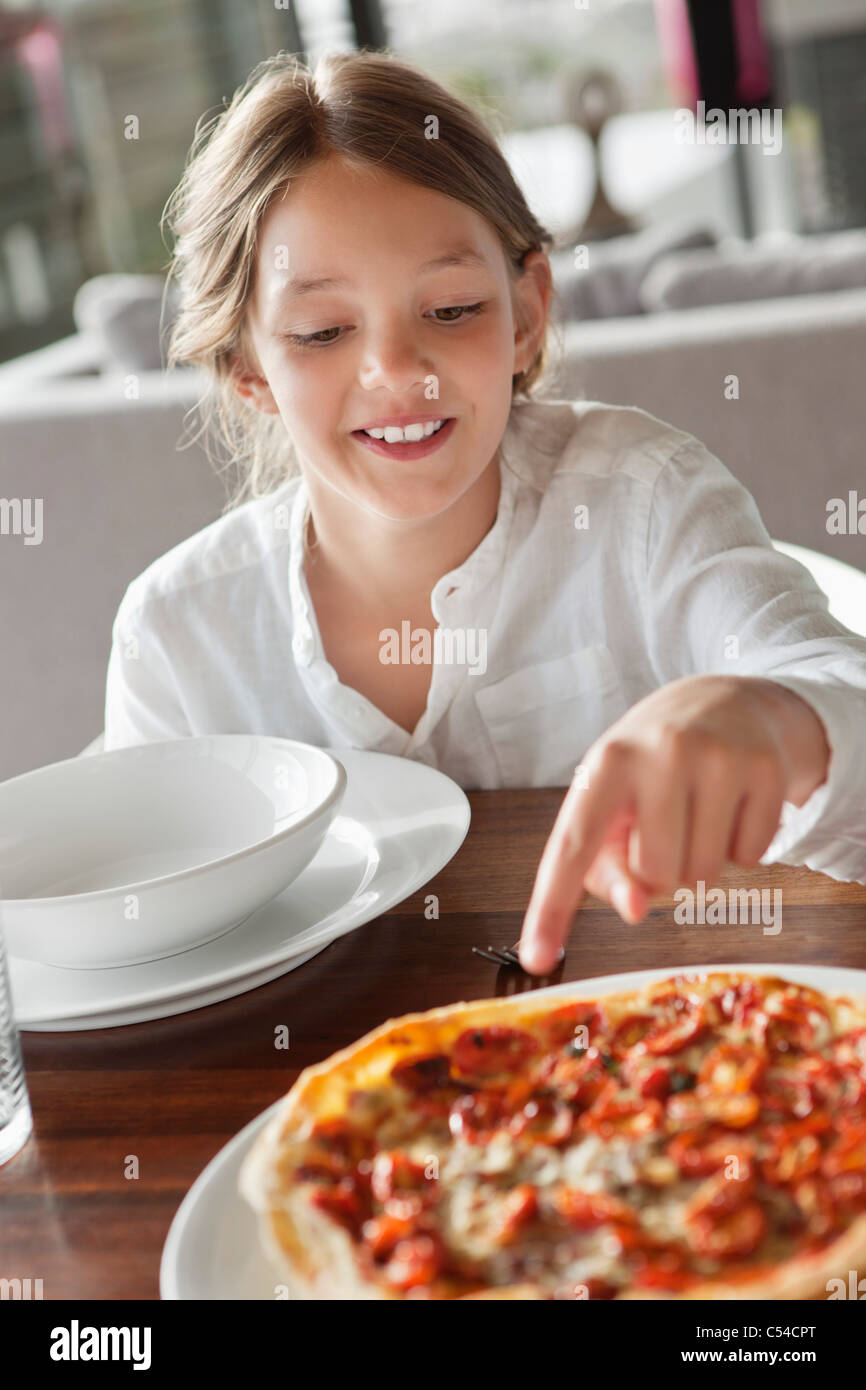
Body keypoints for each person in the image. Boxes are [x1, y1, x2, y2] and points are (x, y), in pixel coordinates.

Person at [104, 49, 866, 976]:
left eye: (455, 308)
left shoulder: (643, 501)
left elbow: (829, 685)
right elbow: (138, 948)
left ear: (526, 315)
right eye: (322, 332)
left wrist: (775, 714)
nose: (398, 371)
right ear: (250, 370)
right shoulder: (178, 635)